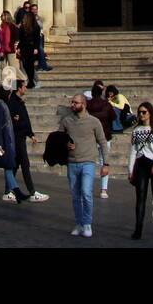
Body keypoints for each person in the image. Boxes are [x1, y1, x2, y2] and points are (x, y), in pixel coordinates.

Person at [60, 93, 109, 236]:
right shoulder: (66, 121)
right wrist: (65, 144)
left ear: (84, 104)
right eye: (72, 102)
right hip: (72, 162)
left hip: (88, 162)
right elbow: (59, 139)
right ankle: (79, 223)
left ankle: (87, 223)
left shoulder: (94, 122)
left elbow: (103, 142)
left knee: (86, 193)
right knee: (75, 196)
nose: (72, 105)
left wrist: (105, 163)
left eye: (76, 103)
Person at [127, 101, 153, 238]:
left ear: (150, 113)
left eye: (144, 112)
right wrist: (130, 170)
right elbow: (133, 151)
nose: (141, 114)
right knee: (141, 197)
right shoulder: (136, 130)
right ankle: (138, 229)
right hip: (141, 164)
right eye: (139, 112)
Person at [7, 80, 48, 202]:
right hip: (17, 137)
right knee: (24, 164)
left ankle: (8, 191)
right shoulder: (13, 102)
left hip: (21, 136)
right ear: (19, 88)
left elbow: (24, 119)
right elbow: (14, 121)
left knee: (15, 165)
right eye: (24, 86)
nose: (25, 88)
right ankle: (32, 192)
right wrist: (18, 122)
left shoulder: (19, 101)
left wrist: (31, 134)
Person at [87, 84, 116, 198]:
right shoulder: (106, 104)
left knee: (89, 162)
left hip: (91, 137)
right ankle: (104, 189)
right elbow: (113, 117)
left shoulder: (88, 105)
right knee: (105, 162)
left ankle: (88, 188)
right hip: (105, 136)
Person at [17, 11, 41, 89]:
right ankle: (31, 81)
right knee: (25, 65)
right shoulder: (23, 27)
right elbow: (21, 39)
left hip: (31, 48)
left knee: (30, 65)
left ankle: (31, 81)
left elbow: (37, 38)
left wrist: (36, 48)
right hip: (24, 48)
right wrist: (18, 48)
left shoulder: (35, 27)